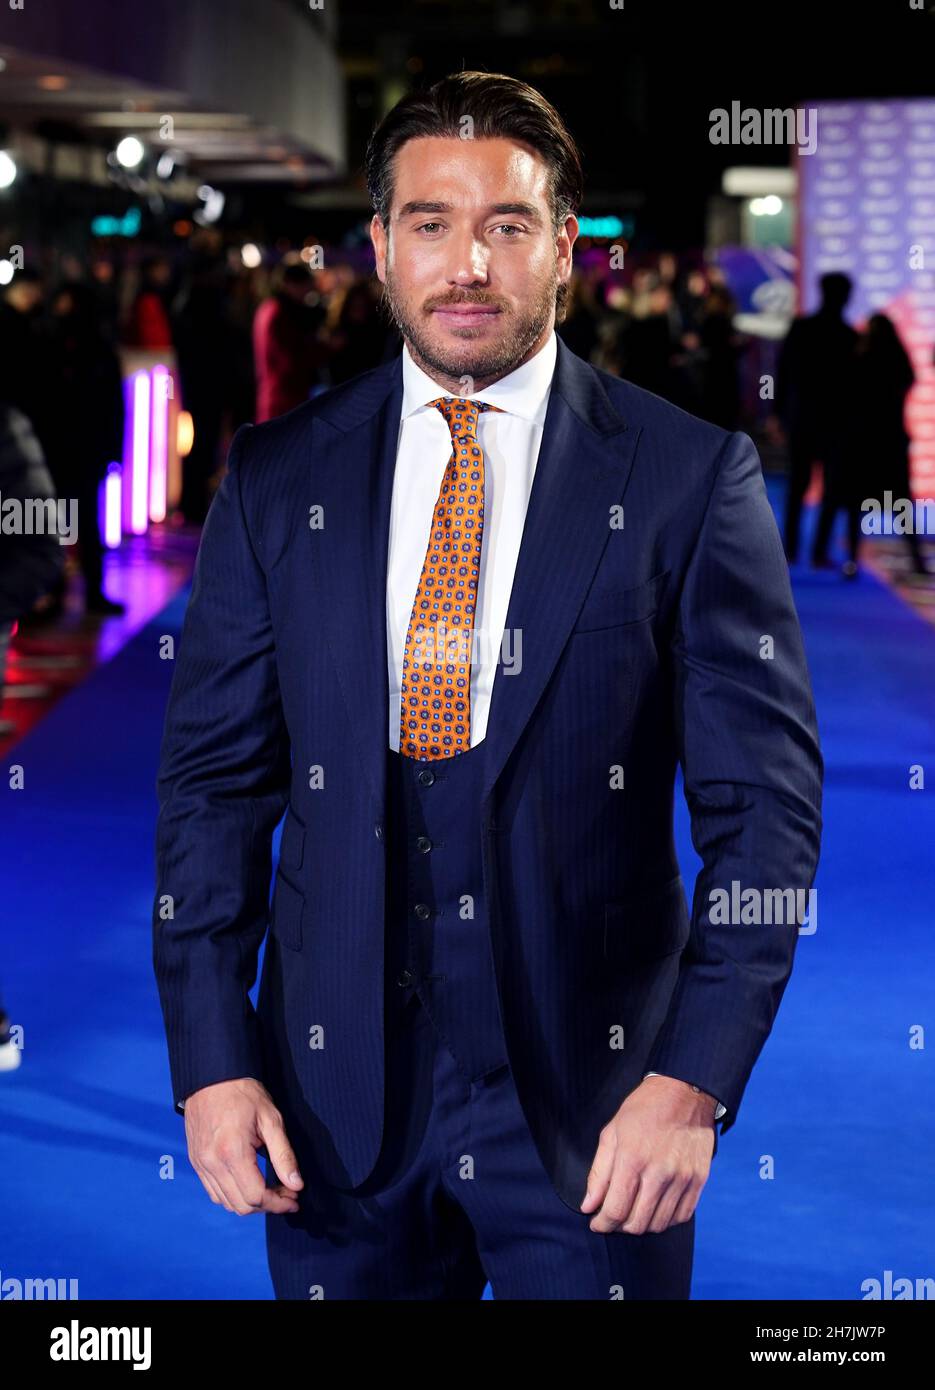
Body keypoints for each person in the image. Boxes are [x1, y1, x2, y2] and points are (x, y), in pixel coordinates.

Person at [153, 71, 823, 1301]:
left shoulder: (687, 478)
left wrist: (689, 1081)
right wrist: (210, 1060)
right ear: (380, 246)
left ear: (565, 246)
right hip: (332, 1108)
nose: (467, 263)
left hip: (591, 1112)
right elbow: (213, 789)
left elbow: (764, 820)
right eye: (430, 223)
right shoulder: (275, 474)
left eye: (506, 226)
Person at [43, 282, 126, 616]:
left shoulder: (54, 343)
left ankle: (59, 593)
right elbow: (113, 407)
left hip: (65, 450)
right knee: (84, 523)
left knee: (64, 523)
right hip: (82, 450)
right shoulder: (96, 348)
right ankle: (85, 592)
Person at [774, 272, 858, 568]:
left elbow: (782, 373)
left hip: (806, 419)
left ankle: (791, 550)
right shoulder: (849, 337)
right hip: (834, 423)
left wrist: (777, 413)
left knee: (799, 485)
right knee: (829, 489)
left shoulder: (803, 329)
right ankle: (817, 552)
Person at [853, 315, 930, 581]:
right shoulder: (897, 364)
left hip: (867, 441)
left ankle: (851, 559)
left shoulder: (862, 361)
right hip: (892, 440)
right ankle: (916, 559)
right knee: (900, 504)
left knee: (858, 502)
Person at [251, 262, 327, 422]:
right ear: (292, 284)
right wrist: (324, 349)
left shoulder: (267, 309)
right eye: (305, 287)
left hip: (273, 394)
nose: (307, 293)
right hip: (284, 398)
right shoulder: (280, 314)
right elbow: (289, 359)